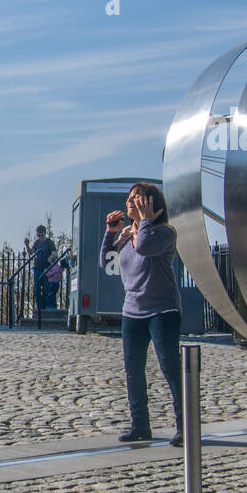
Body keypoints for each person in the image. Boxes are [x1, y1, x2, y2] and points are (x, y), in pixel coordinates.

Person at [100, 182, 183, 446]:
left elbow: (145, 247)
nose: (131, 201)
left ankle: (185, 425)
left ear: (153, 207)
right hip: (132, 311)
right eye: (130, 197)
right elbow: (107, 261)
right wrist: (110, 233)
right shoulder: (127, 233)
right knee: (133, 370)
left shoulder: (165, 232)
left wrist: (144, 222)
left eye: (138, 198)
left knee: (170, 368)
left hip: (162, 310)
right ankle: (140, 425)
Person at [28, 226, 57, 313]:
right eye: (38, 233)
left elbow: (55, 254)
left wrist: (50, 258)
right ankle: (39, 307)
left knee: (46, 289)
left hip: (46, 269)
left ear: (44, 232)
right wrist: (27, 245)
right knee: (37, 290)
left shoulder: (49, 242)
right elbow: (31, 252)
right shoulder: (36, 243)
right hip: (38, 269)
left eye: (40, 232)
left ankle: (46, 308)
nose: (39, 235)